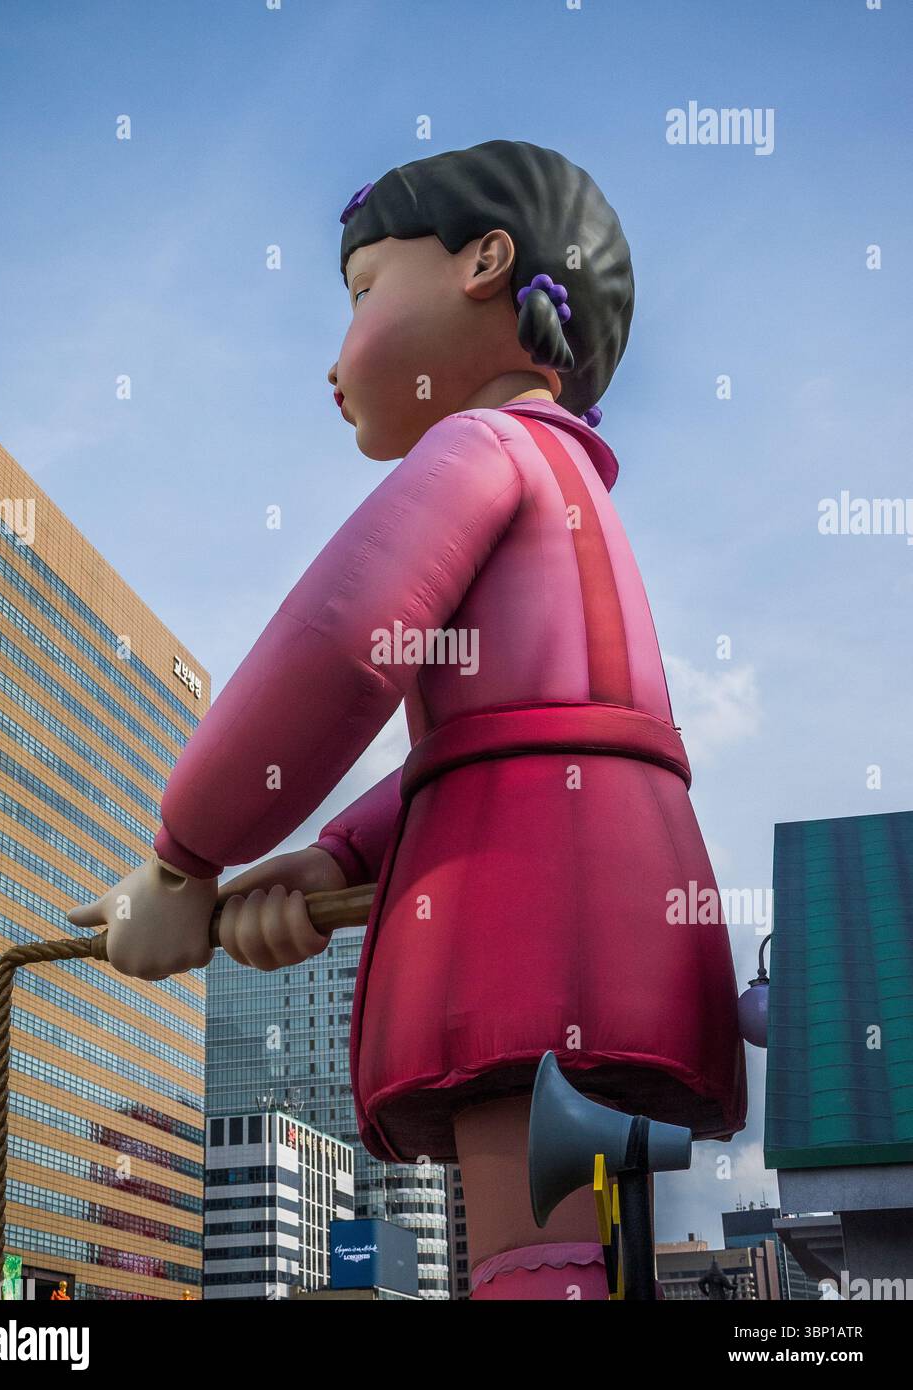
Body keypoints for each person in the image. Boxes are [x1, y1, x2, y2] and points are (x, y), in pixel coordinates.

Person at [70, 140, 747, 1300]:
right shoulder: (580, 497)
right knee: (587, 1224)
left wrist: (187, 859)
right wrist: (333, 857)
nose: (335, 360)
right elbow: (495, 744)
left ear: (485, 263)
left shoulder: (478, 447)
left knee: (528, 1245)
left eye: (363, 292)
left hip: (531, 911)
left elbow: (337, 645)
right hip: (621, 891)